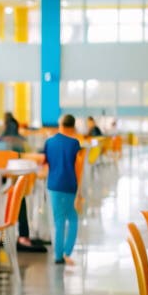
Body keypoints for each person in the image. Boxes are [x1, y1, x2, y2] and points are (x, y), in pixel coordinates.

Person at [44, 114, 82, 266]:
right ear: (72, 127)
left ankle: (58, 256)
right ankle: (66, 253)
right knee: (72, 219)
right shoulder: (74, 144)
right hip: (69, 185)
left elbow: (45, 164)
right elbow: (78, 168)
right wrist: (80, 191)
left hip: (53, 185)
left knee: (58, 220)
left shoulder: (49, 142)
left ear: (60, 124)